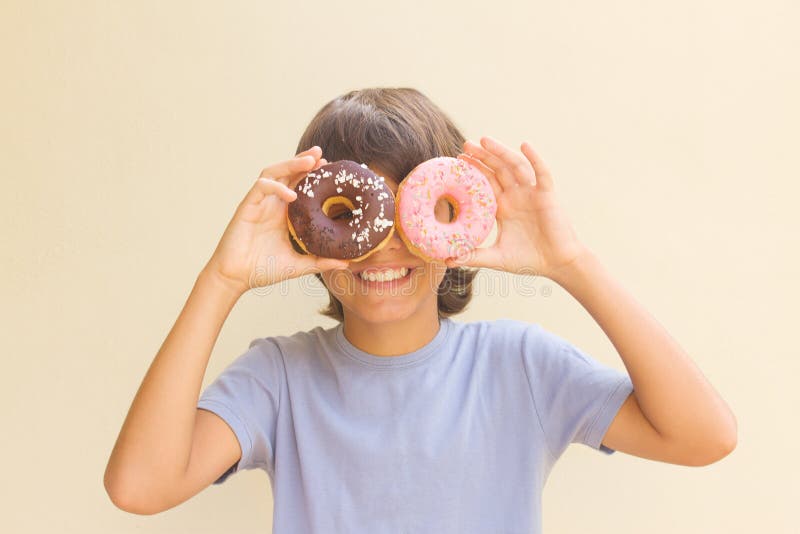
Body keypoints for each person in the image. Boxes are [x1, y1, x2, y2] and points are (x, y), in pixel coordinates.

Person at [103, 87, 738, 532]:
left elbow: (704, 436)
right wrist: (222, 280)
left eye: (415, 212)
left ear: (455, 223)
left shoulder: (519, 365)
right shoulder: (279, 378)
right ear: (310, 228)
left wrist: (570, 262)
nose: (385, 247)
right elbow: (139, 487)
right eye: (355, 218)